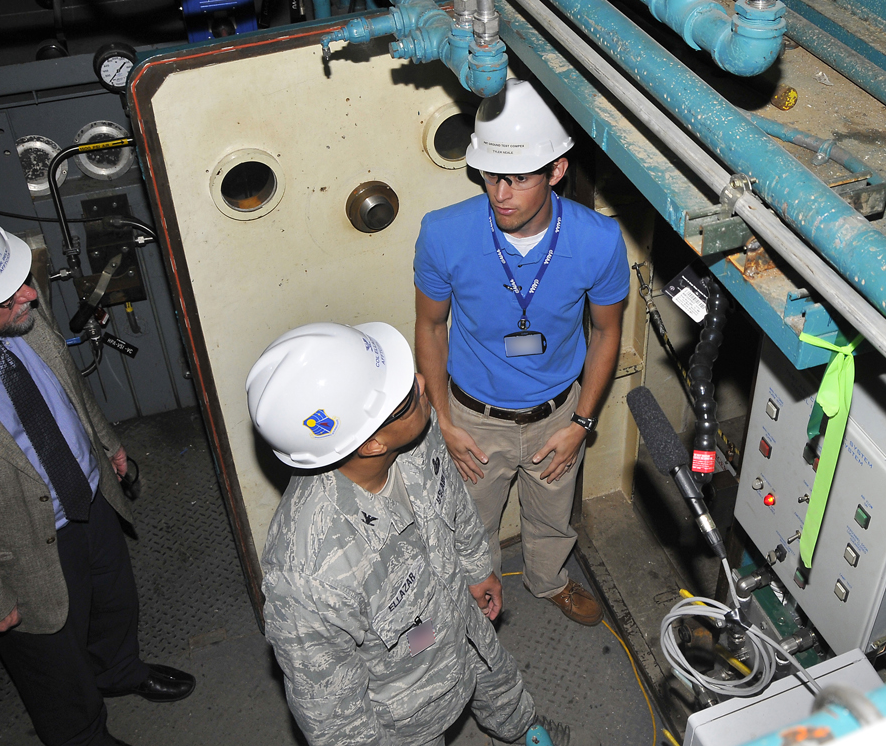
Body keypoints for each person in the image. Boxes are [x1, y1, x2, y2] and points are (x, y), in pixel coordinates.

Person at [0, 202, 195, 746]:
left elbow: (67, 384)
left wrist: (106, 445)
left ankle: (119, 671)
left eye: (22, 280)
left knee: (114, 601)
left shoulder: (15, 302)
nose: (30, 294)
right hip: (15, 547)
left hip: (88, 495)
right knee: (53, 666)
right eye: (9, 294)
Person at [250, 320, 552, 746]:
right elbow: (337, 724)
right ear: (371, 444)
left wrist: (476, 568)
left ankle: (521, 728)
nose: (424, 384)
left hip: (468, 631)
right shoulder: (308, 576)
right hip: (410, 715)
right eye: (406, 397)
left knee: (498, 677)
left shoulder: (415, 434)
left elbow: (454, 502)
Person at [414, 78, 629, 626]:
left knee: (553, 518)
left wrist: (582, 422)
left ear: (556, 171)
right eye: (490, 176)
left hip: (557, 414)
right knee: (471, 523)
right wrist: (443, 420)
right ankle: (472, 598)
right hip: (472, 419)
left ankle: (548, 581)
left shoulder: (599, 240)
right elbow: (430, 326)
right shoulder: (443, 234)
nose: (500, 194)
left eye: (517, 179)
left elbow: (607, 333)